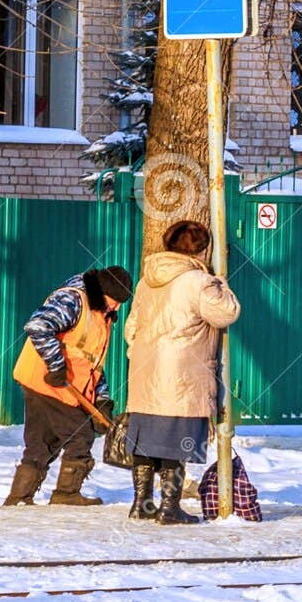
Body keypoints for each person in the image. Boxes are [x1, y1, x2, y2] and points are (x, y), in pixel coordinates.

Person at [123, 220, 242, 524]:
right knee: (176, 442)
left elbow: (131, 328)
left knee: (146, 440)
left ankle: (141, 503)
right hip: (180, 374)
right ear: (202, 249)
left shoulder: (146, 280)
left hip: (144, 370)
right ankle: (169, 508)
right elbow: (227, 312)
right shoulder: (197, 281)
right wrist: (221, 282)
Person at [4, 265, 134, 506]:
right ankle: (66, 494)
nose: (116, 307)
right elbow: (38, 326)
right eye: (113, 301)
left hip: (57, 386)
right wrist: (56, 365)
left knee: (42, 443)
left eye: (120, 303)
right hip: (48, 381)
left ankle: (19, 499)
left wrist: (102, 399)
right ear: (101, 292)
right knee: (80, 435)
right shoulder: (73, 299)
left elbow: (89, 360)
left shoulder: (101, 314)